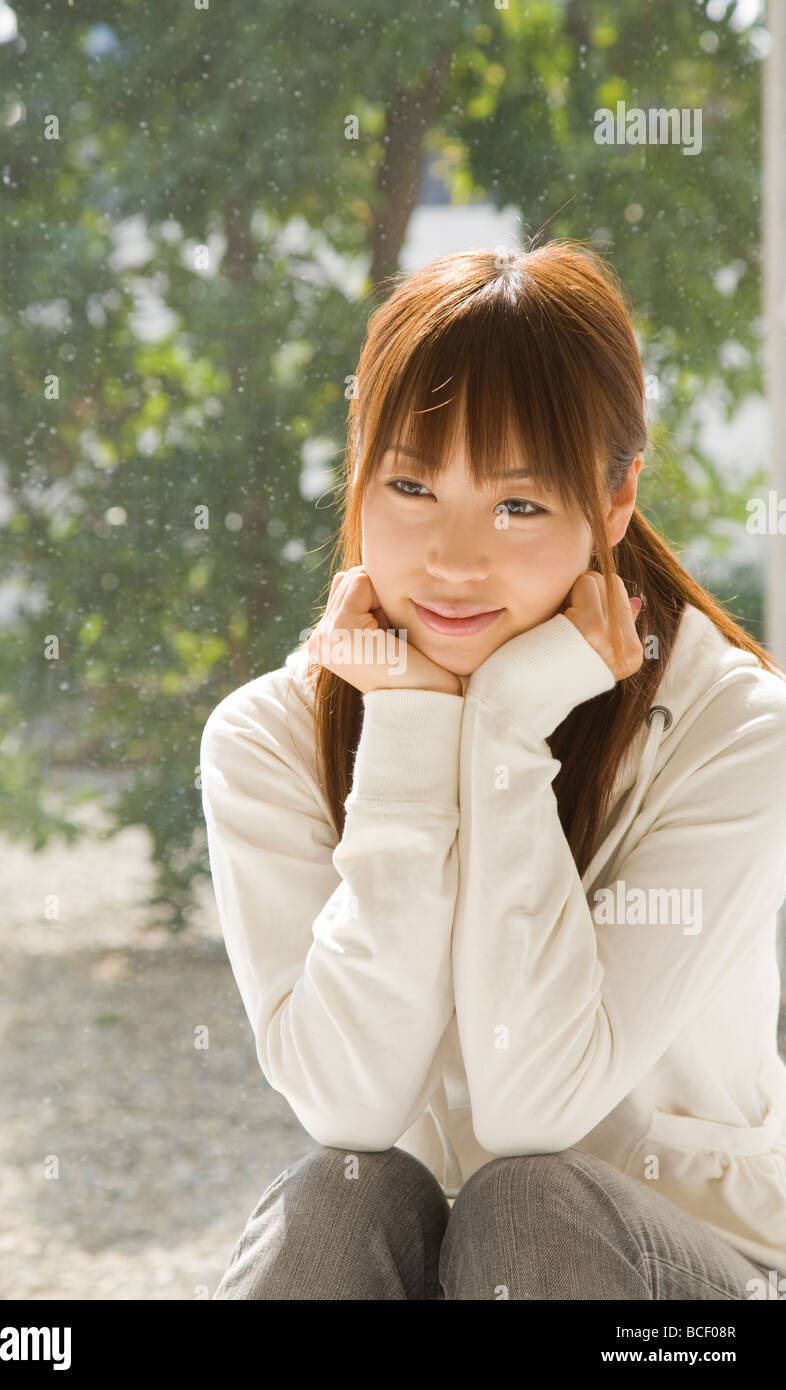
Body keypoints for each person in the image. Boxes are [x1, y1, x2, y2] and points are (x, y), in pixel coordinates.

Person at [200, 239, 786, 1300]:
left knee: (530, 1207)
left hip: (692, 1285)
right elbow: (347, 1102)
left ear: (612, 502)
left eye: (516, 504)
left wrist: (508, 727)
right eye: (412, 486)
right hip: (422, 1254)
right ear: (359, 475)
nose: (452, 559)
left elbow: (533, 1112)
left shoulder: (733, 731)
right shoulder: (266, 739)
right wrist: (415, 727)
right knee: (335, 1197)